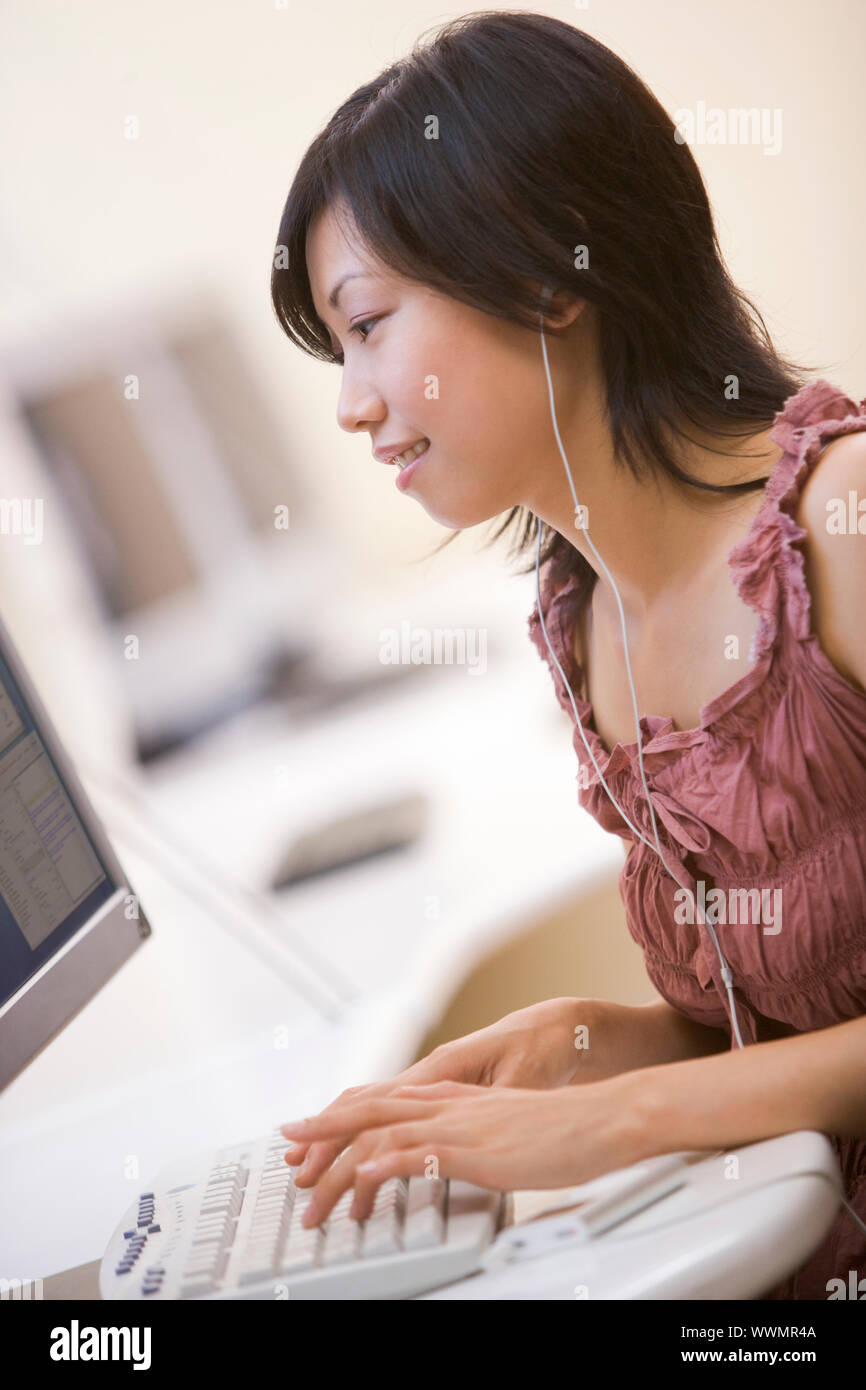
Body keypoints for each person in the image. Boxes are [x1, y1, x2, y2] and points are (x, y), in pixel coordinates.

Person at [269, 11, 866, 1300]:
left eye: (368, 325)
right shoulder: (587, 618)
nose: (351, 401)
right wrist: (595, 1044)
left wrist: (619, 1124)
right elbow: (794, 1026)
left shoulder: (845, 528)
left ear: (550, 278)